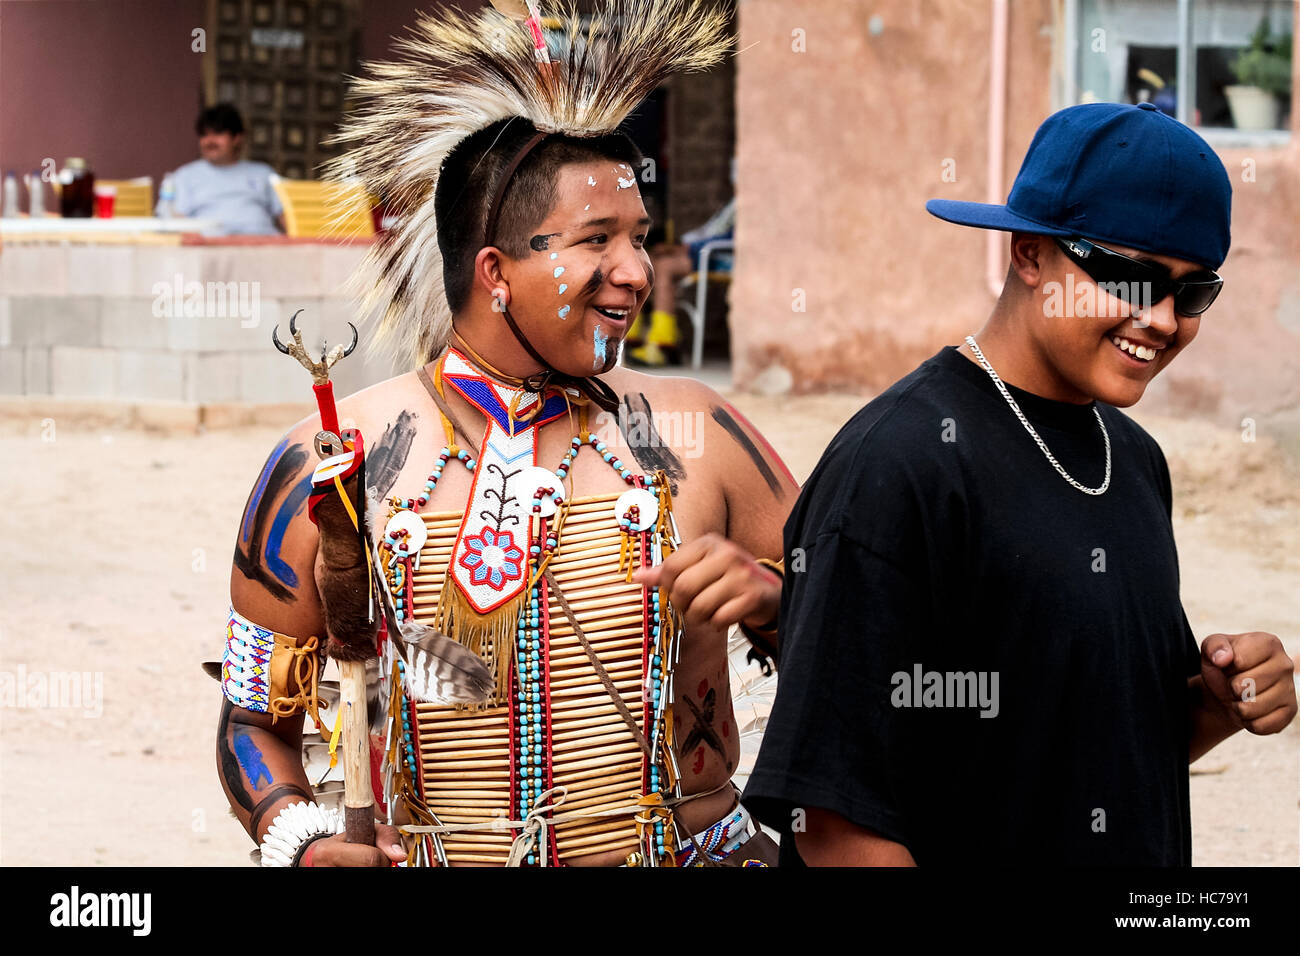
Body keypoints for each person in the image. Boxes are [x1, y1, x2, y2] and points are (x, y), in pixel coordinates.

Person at [214, 0, 797, 868]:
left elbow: (873, 645)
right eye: (597, 240)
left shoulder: (701, 435)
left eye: (639, 237)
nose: (636, 271)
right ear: (494, 272)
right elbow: (251, 722)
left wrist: (781, 602)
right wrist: (298, 839)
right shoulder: (329, 458)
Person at [743, 102, 1297, 866]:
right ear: (1030, 255)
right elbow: (837, 821)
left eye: (1193, 292)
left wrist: (1224, 698)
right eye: (1132, 279)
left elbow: (1114, 746)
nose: (1164, 321)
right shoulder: (899, 465)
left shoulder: (1132, 459)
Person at [160, 103, 283, 236]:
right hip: (209, 249)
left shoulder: (264, 173)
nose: (210, 141)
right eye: (204, 135)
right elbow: (174, 221)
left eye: (218, 133)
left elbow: (288, 216)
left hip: (264, 245)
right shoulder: (184, 176)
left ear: (237, 138)